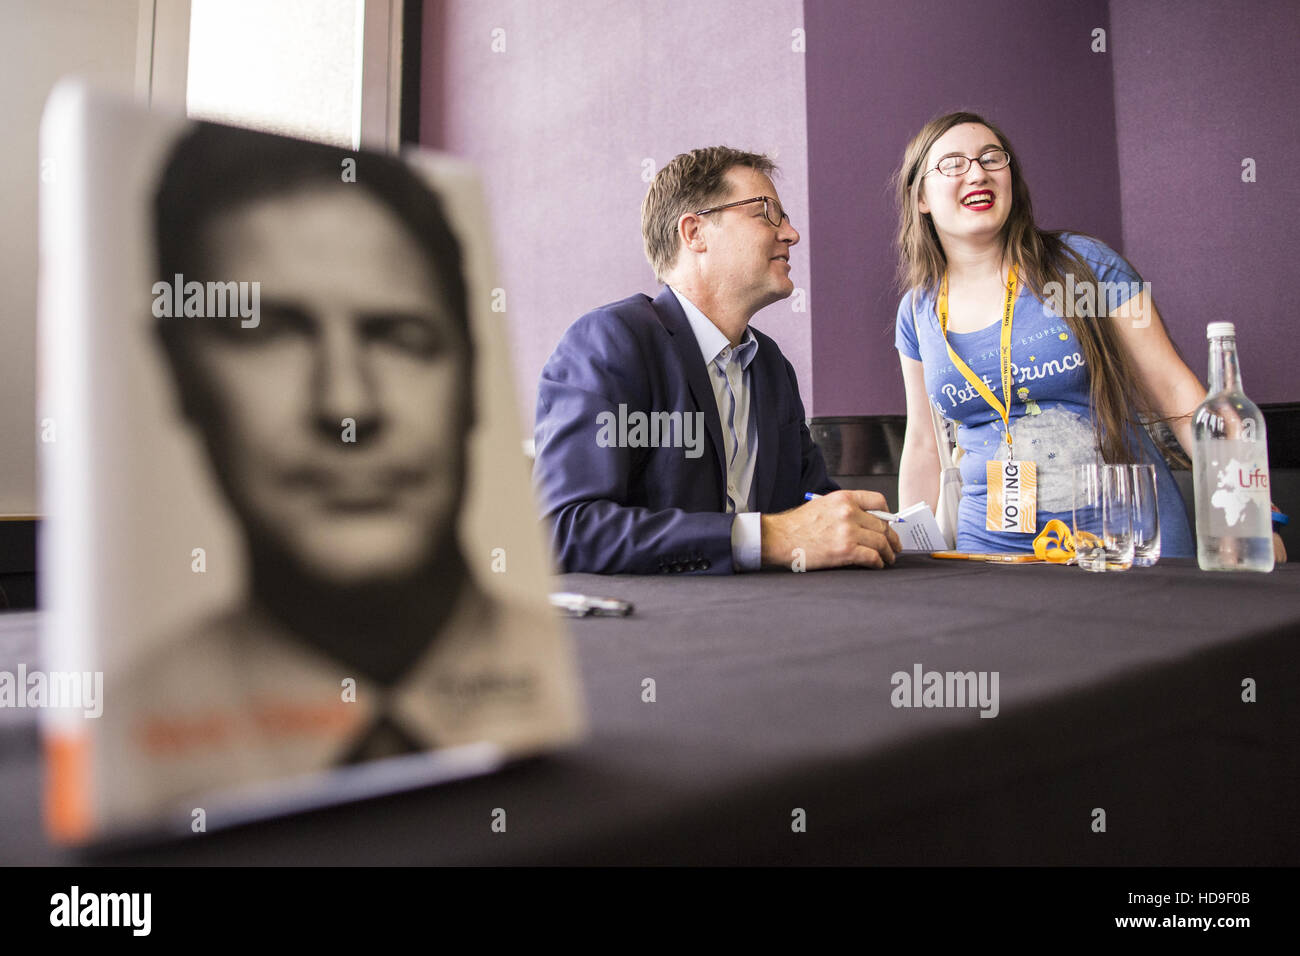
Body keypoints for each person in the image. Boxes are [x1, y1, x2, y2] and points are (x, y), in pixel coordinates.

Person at [105, 124, 580, 824]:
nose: (347, 405)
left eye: (399, 336)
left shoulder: (552, 686)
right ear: (176, 371)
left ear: (475, 375)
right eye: (264, 332)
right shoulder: (121, 742)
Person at [533, 146, 901, 575]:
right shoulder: (611, 343)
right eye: (767, 212)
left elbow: (806, 505)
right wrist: (768, 537)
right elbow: (562, 530)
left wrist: (852, 523)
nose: (791, 233)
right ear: (694, 233)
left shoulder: (771, 367)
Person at [893, 111, 1213, 557]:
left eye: (991, 158)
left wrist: (1249, 508)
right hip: (990, 553)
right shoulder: (917, 311)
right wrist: (911, 554)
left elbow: (1174, 389)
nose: (977, 173)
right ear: (920, 196)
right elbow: (924, 442)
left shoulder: (1082, 268)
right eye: (952, 164)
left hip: (1125, 544)